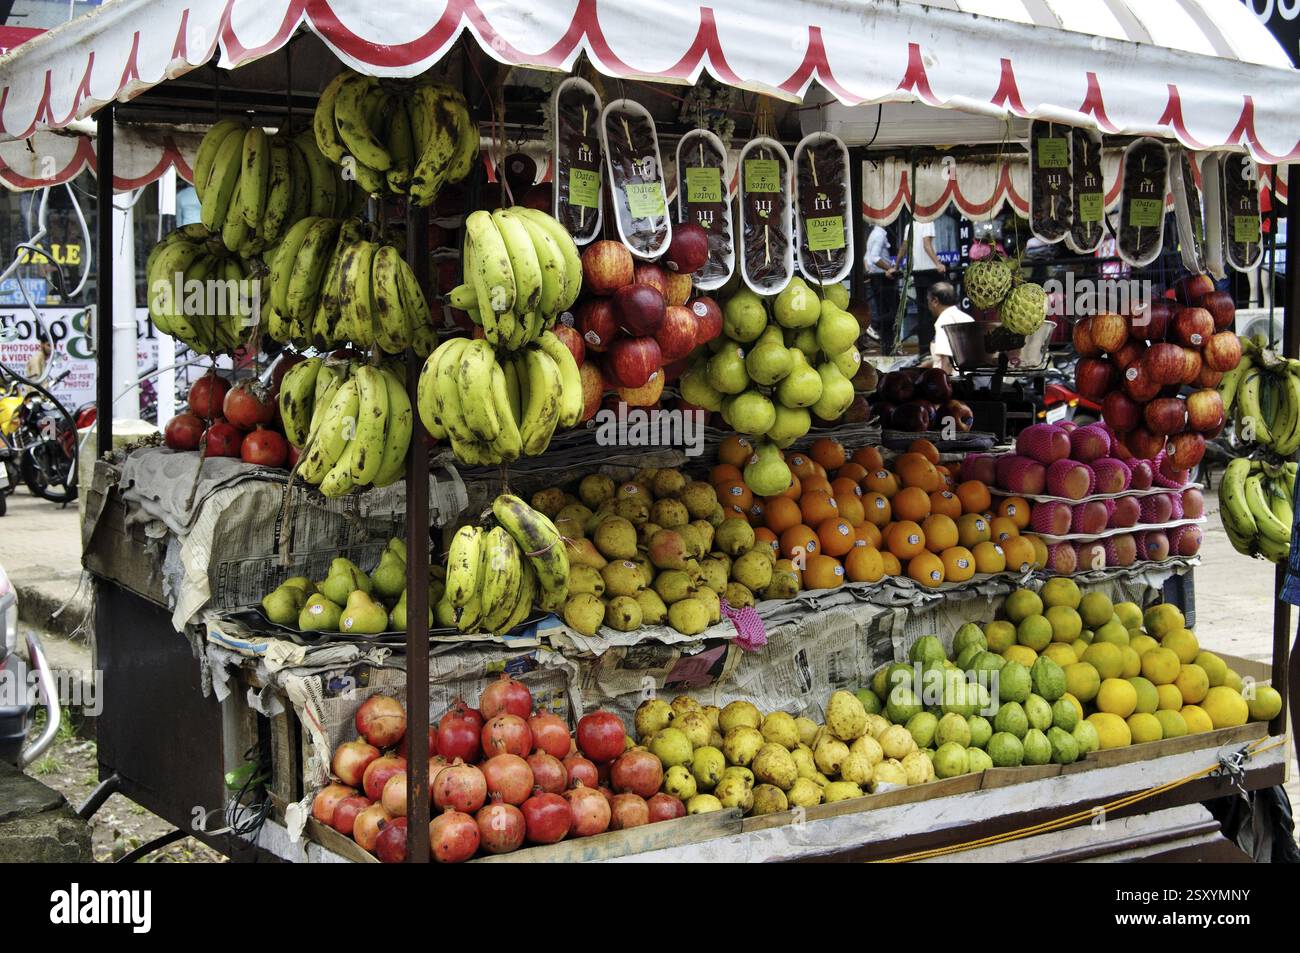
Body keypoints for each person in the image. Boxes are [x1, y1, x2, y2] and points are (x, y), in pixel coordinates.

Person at [908, 216, 946, 356]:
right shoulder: (928, 221)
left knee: (923, 311)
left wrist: (897, 264)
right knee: (935, 311)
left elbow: (905, 247)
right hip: (930, 272)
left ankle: (924, 347)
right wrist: (937, 263)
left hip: (918, 272)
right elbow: (926, 244)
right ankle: (933, 346)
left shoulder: (910, 225)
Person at [863, 224, 899, 353]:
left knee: (886, 312)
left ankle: (889, 348)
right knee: (897, 312)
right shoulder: (879, 234)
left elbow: (867, 258)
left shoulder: (874, 233)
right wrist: (888, 269)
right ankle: (873, 324)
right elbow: (875, 258)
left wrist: (869, 271)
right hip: (883, 278)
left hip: (876, 277)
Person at [927, 282, 973, 375]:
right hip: (972, 381)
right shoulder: (967, 317)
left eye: (928, 300)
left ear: (935, 301)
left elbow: (947, 362)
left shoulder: (944, 321)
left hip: (956, 383)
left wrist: (943, 386)